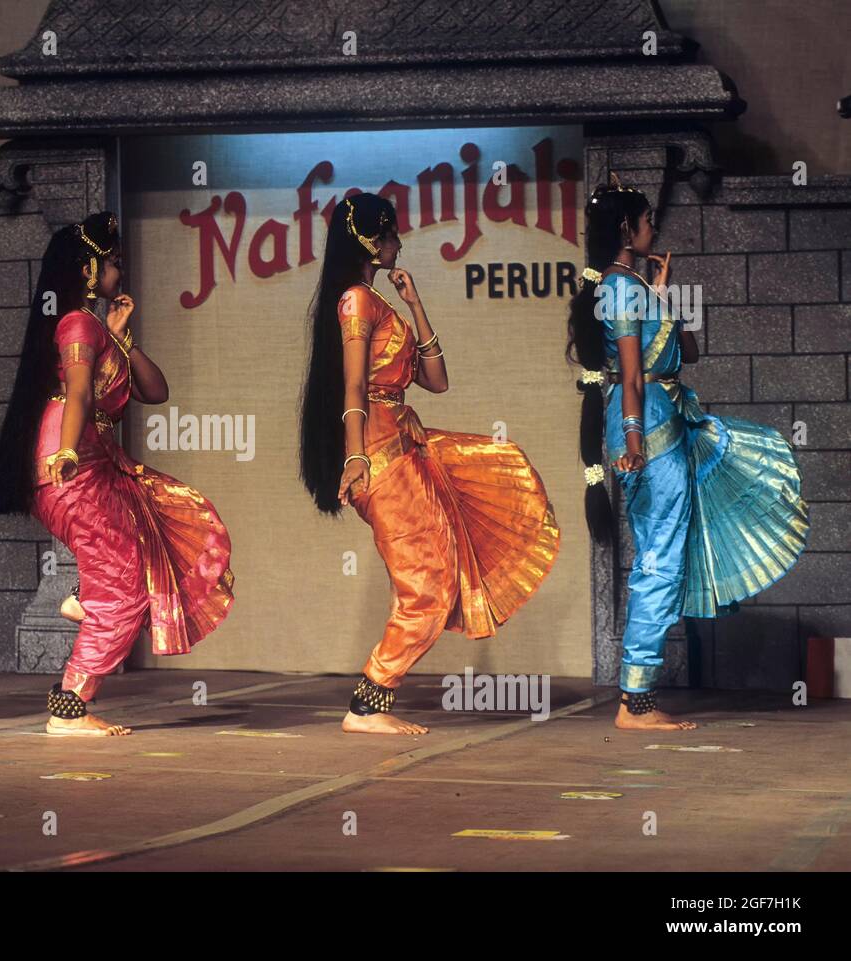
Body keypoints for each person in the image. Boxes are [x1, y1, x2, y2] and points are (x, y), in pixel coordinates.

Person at [300, 193, 559, 735]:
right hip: (379, 460)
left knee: (438, 579)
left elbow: (437, 381)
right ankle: (368, 705)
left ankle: (371, 701)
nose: (400, 242)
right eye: (392, 234)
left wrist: (416, 305)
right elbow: (352, 386)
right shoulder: (355, 302)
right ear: (372, 242)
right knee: (428, 589)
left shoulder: (380, 303)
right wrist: (353, 459)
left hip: (405, 450)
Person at [567, 174, 808, 731]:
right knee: (660, 558)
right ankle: (636, 701)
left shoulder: (633, 286)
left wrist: (663, 295)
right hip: (646, 424)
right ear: (628, 229)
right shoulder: (619, 289)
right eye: (649, 221)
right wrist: (631, 444)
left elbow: (689, 352)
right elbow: (630, 376)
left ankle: (637, 696)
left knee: (665, 553)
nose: (656, 229)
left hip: (662, 416)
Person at [0, 212, 234, 736]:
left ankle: (84, 596)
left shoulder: (96, 326)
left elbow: (155, 391)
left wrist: (122, 338)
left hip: (94, 461)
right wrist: (68, 453)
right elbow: (78, 393)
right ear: (89, 268)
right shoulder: (76, 323)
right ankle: (70, 706)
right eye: (115, 262)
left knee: (151, 552)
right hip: (72, 461)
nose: (121, 271)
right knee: (124, 588)